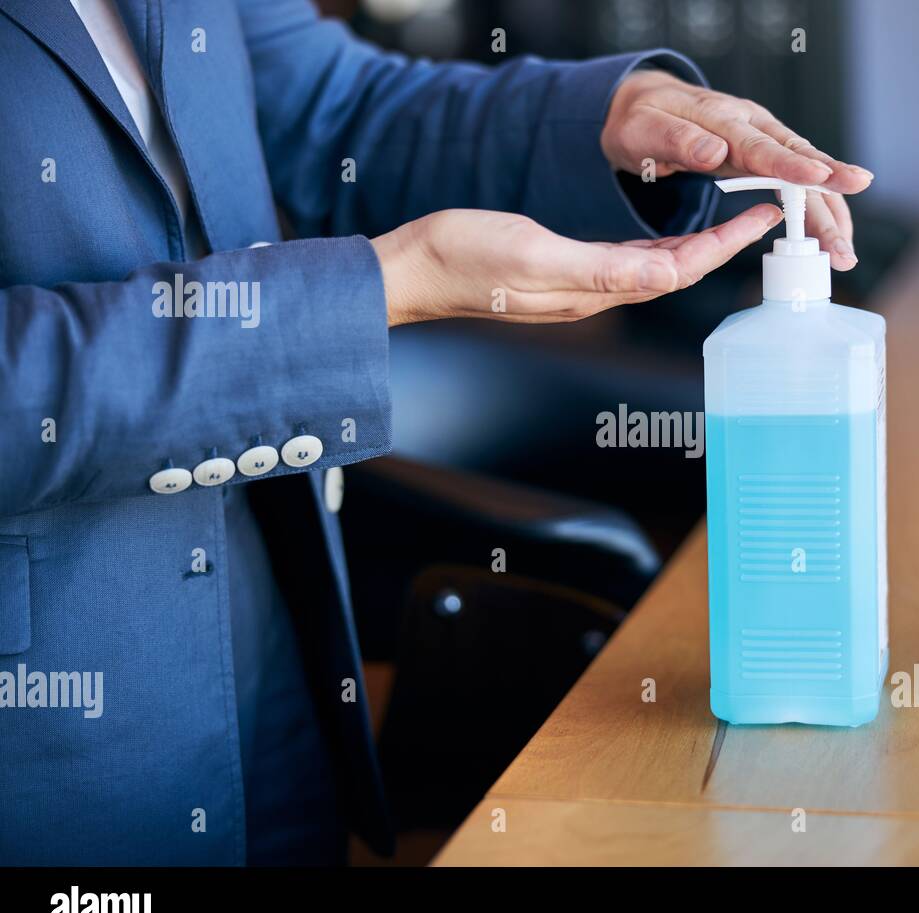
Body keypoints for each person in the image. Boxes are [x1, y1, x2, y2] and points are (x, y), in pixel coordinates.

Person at [0, 0, 870, 865]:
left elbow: (332, 108)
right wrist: (375, 292)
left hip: (268, 652)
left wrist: (609, 120)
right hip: (56, 739)